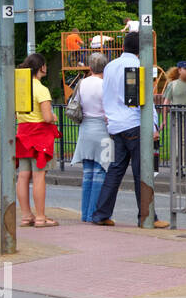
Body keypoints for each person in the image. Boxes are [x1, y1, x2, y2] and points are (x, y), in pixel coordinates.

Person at [92, 32, 167, 228]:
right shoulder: (138, 66)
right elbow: (144, 99)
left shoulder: (110, 66)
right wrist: (153, 125)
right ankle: (147, 216)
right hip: (134, 124)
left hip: (115, 125)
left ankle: (101, 214)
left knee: (114, 171)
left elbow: (107, 94)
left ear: (124, 46)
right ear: (141, 49)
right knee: (142, 173)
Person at [14, 53, 60, 227]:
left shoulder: (21, 88)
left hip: (23, 134)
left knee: (23, 176)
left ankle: (26, 216)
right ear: (41, 67)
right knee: (39, 175)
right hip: (40, 135)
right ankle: (41, 217)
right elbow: (47, 117)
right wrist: (54, 117)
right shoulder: (41, 89)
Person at [71, 53, 109, 223]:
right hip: (103, 131)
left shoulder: (82, 83)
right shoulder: (105, 85)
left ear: (90, 67)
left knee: (87, 174)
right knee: (101, 173)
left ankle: (85, 214)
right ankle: (95, 213)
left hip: (85, 129)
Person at [162, 61, 186, 177]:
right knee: (182, 142)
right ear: (179, 70)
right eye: (185, 68)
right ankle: (185, 166)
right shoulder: (172, 85)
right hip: (178, 118)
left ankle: (179, 168)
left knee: (185, 143)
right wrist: (164, 120)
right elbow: (166, 102)